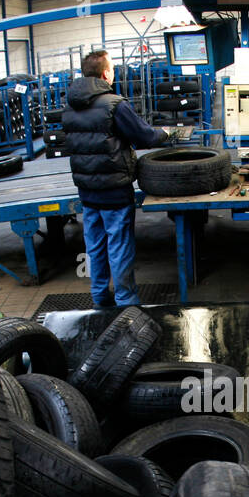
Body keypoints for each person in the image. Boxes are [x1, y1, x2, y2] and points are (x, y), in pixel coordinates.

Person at [63, 50, 179, 307]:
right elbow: (145, 137)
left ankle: (100, 299)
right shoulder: (114, 104)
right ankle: (126, 302)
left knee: (94, 248)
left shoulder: (69, 106)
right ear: (106, 73)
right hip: (114, 191)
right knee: (119, 247)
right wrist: (167, 133)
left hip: (87, 192)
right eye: (113, 68)